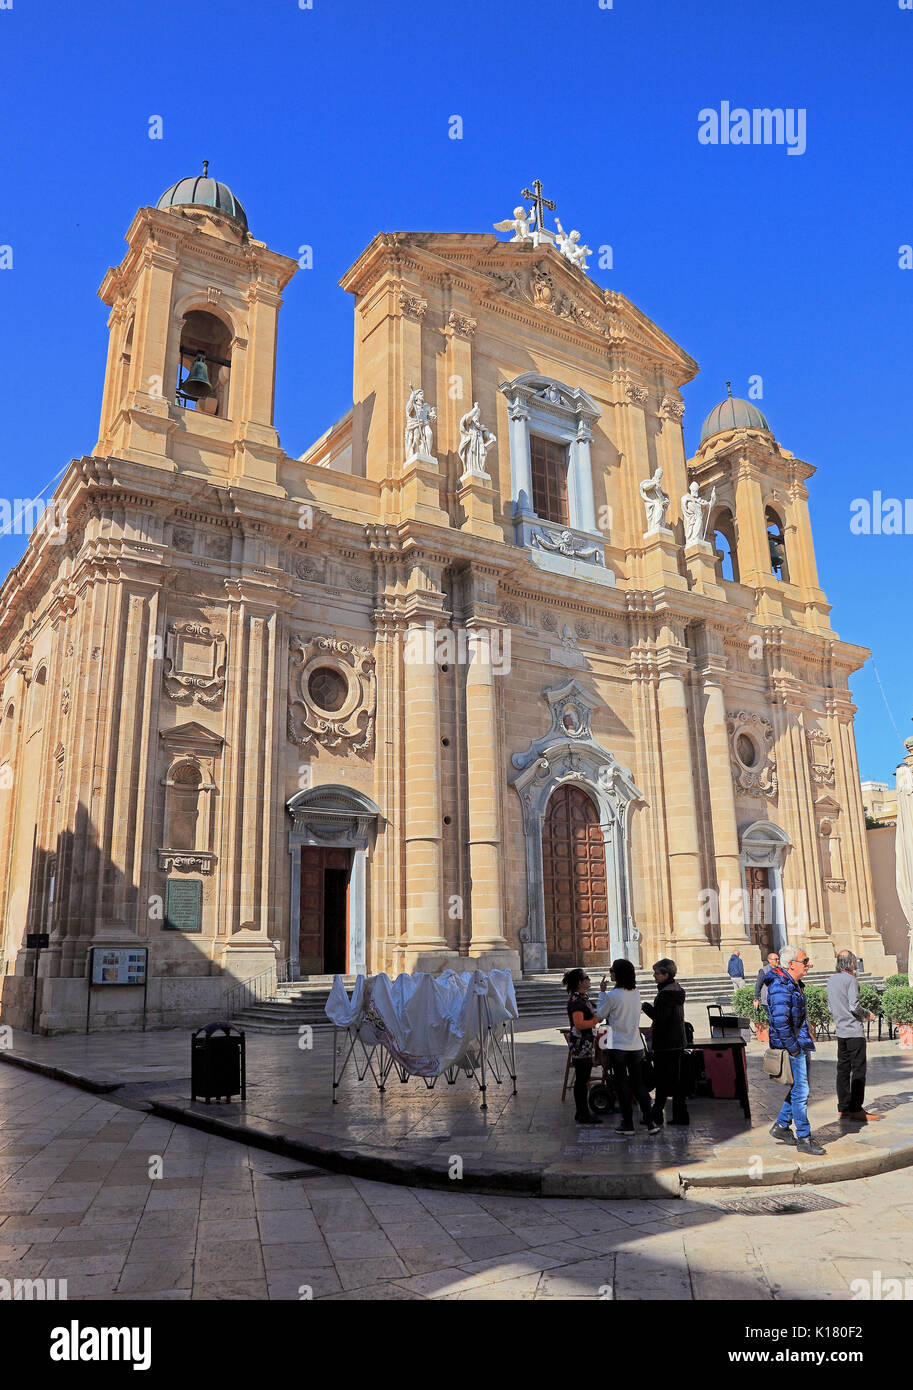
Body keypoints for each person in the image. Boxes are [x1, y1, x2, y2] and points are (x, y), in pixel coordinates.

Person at [766, 945, 826, 1156]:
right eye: (805, 961)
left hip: (799, 1043)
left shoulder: (793, 984)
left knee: (800, 1089)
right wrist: (793, 1049)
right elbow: (780, 1022)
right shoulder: (781, 987)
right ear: (791, 965)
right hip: (793, 1046)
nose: (808, 964)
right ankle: (804, 1138)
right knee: (802, 1092)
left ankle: (781, 1126)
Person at [596, 959, 660, 1137]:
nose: (610, 973)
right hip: (635, 1045)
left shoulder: (612, 995)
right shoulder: (636, 993)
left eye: (612, 970)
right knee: (639, 1084)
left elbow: (600, 1015)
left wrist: (601, 993)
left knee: (622, 1085)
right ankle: (650, 1122)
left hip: (618, 1046)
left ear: (618, 974)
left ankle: (628, 1124)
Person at [827, 950, 882, 1124]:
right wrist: (868, 1014)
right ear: (851, 963)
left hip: (841, 1032)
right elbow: (854, 1006)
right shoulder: (851, 980)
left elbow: (830, 1007)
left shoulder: (831, 980)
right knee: (858, 1070)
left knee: (842, 1070)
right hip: (854, 1032)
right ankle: (856, 1109)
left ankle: (843, 1108)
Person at [642, 958, 690, 1127]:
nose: (654, 976)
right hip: (676, 1041)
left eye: (657, 973)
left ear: (666, 974)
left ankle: (657, 1116)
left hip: (666, 1043)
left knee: (662, 1080)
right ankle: (678, 1115)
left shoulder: (666, 994)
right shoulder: (676, 990)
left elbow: (661, 1017)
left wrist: (646, 1007)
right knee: (675, 1081)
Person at [562, 968, 601, 1125]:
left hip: (585, 1043)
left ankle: (582, 1112)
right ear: (580, 982)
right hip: (581, 1044)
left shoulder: (583, 998)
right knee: (582, 1079)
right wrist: (595, 1021)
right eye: (587, 977)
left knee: (582, 1078)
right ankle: (583, 1113)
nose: (589, 980)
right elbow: (579, 1023)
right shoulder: (577, 1002)